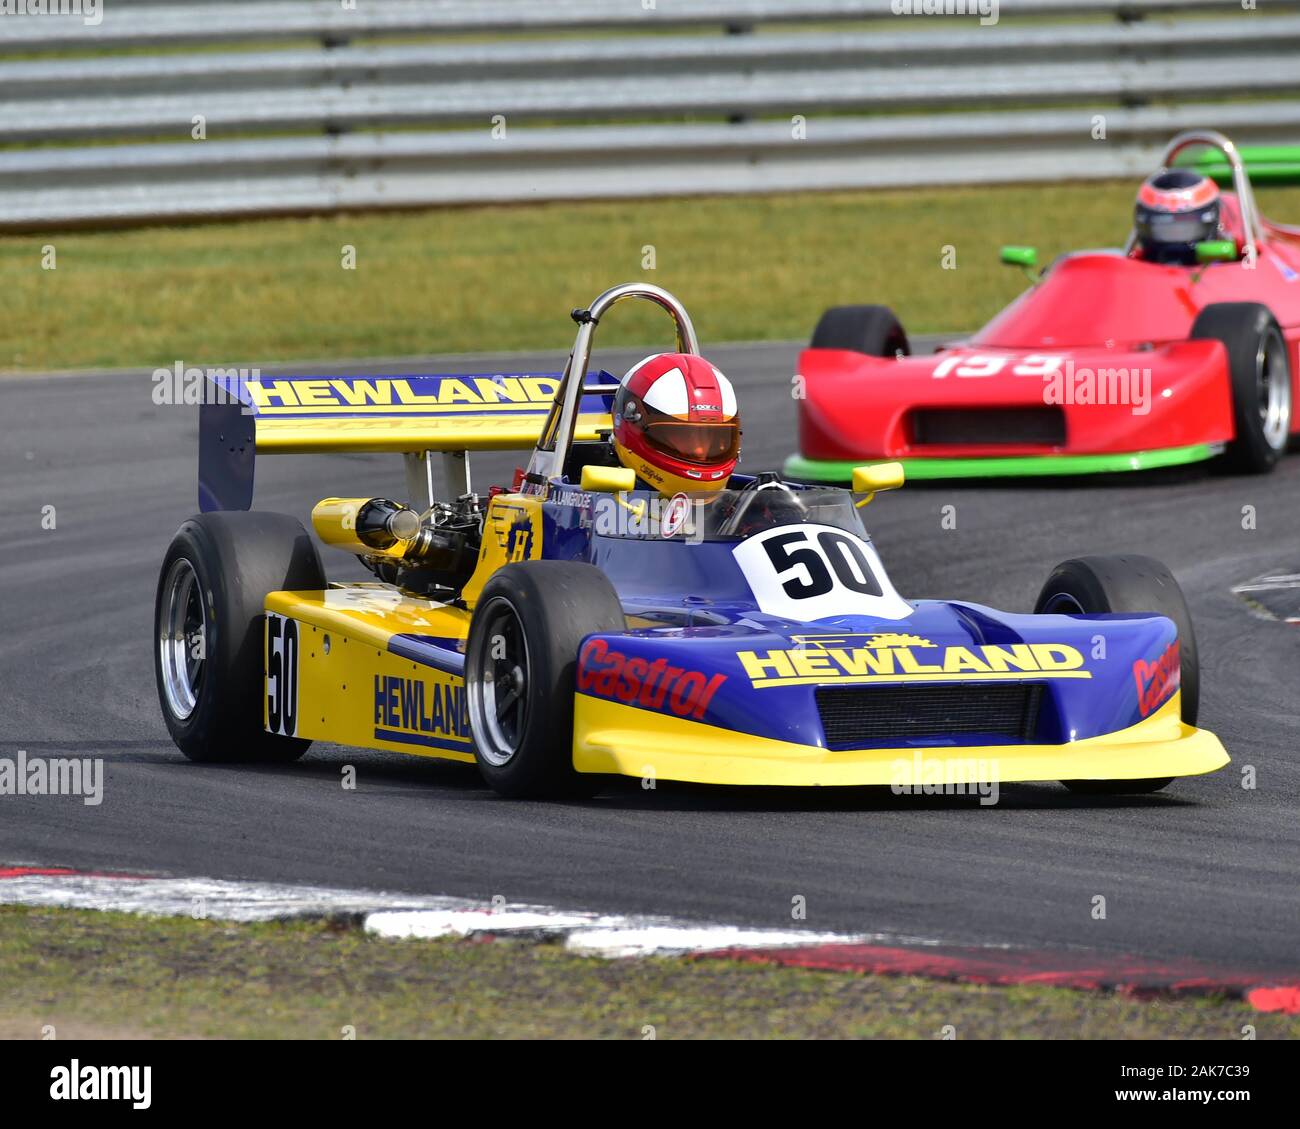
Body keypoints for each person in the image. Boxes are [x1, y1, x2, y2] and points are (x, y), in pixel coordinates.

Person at [611, 352, 741, 496]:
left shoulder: (749, 503)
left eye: (716, 440)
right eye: (684, 439)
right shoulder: (596, 497)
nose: (700, 451)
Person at [1133, 168, 1224, 266]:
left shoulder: (1225, 269)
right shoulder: (1131, 270)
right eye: (1165, 231)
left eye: (1185, 229)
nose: (1175, 246)